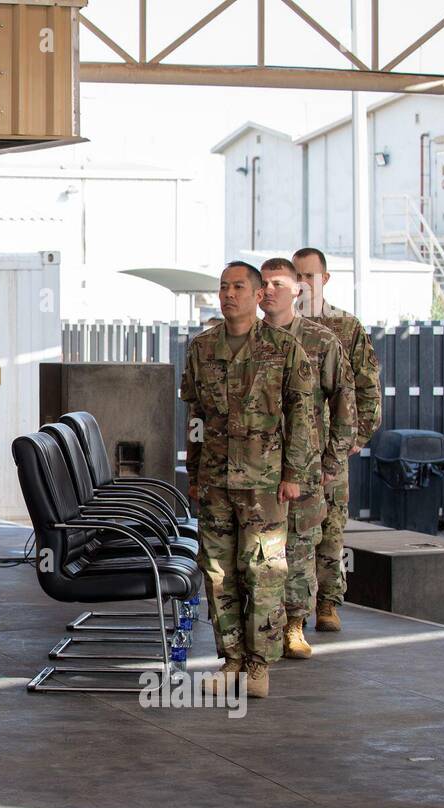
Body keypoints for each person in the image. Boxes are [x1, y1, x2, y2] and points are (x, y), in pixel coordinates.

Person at [180, 262, 315, 698]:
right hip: (216, 479)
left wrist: (294, 474)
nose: (228, 294)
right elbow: (195, 415)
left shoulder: (283, 346)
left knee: (263, 571)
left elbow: (301, 416)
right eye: (223, 287)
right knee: (218, 573)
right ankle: (231, 659)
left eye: (238, 286)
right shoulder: (201, 348)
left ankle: (259, 664)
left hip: (265, 482)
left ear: (258, 295)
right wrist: (195, 470)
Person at [259, 257, 355, 658]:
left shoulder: (321, 340)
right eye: (262, 283)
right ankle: (262, 627)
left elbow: (345, 402)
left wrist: (333, 461)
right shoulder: (244, 340)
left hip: (305, 467)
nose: (269, 291)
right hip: (256, 468)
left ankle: (296, 625)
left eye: (278, 283)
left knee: (300, 548)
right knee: (260, 551)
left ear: (298, 288)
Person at [292, 247, 382, 632]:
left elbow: (368, 387)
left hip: (330, 450)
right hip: (291, 454)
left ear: (324, 279)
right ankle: (289, 611)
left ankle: (328, 604)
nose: (303, 283)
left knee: (331, 529)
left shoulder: (346, 327)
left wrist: (357, 436)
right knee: (293, 533)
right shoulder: (278, 327)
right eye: (296, 276)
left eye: (309, 276)